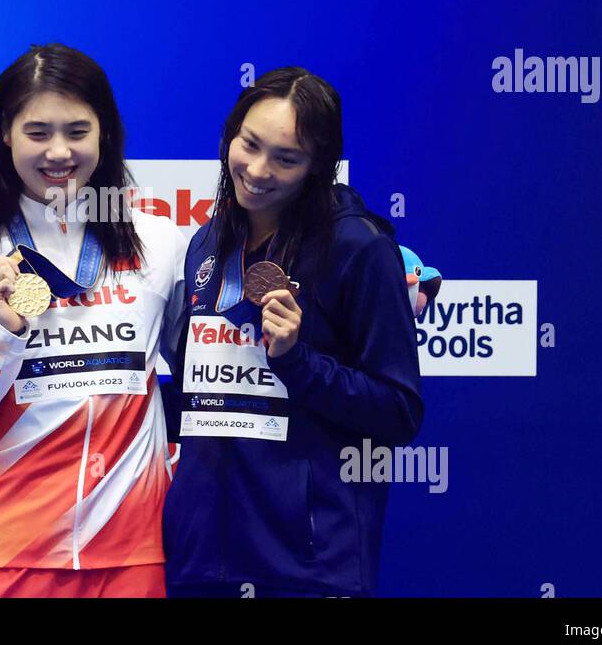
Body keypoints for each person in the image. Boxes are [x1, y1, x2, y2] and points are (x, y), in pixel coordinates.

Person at [0, 43, 187, 598]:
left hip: (132, 552)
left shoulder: (161, 242)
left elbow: (215, 359)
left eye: (77, 131)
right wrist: (2, 334)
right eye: (37, 132)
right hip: (6, 556)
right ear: (5, 134)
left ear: (105, 133)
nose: (58, 152)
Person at [162, 68, 424, 597]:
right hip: (202, 559)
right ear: (228, 138)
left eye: (286, 159)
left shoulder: (359, 249)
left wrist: (297, 360)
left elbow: (399, 410)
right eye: (249, 145)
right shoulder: (205, 246)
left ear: (317, 167)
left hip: (307, 564)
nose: (257, 171)